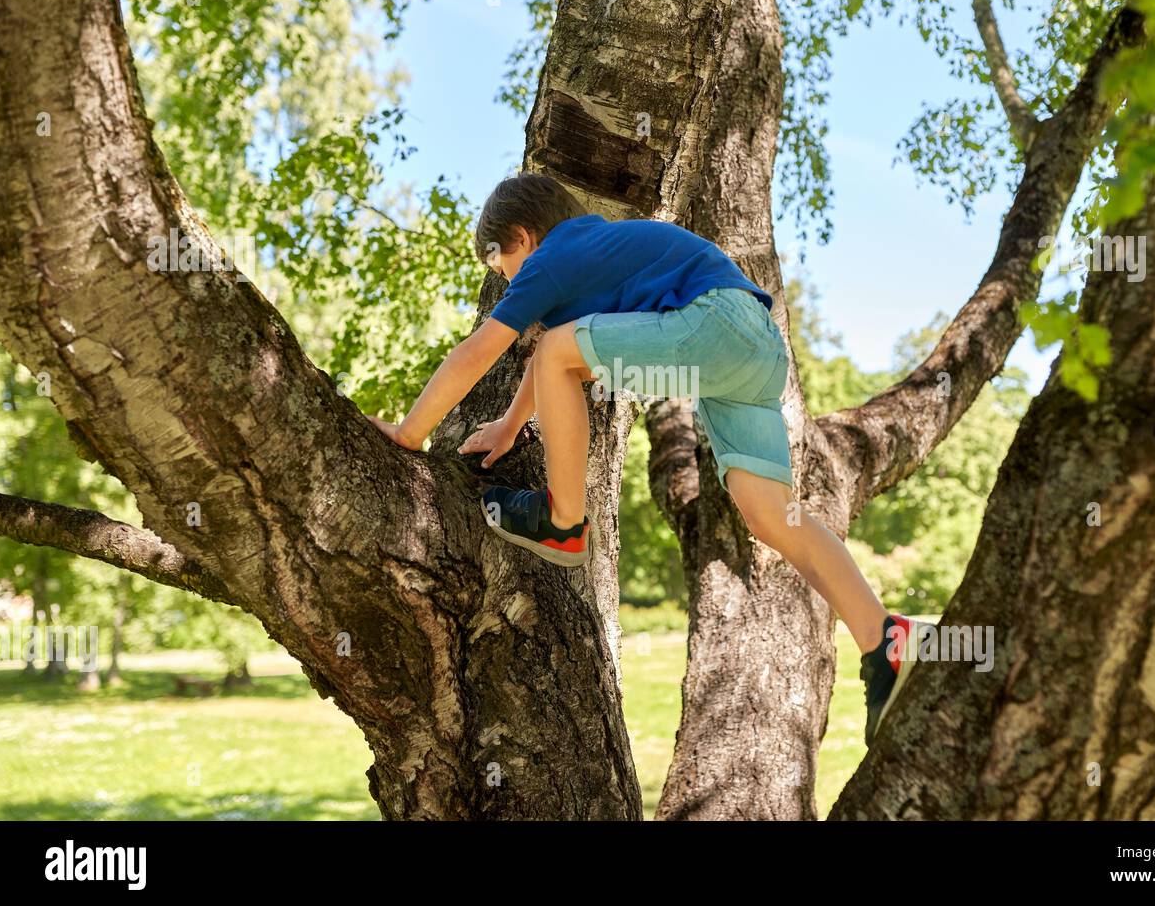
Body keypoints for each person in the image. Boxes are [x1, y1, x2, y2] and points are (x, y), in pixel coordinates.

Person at [367, 172, 931, 743]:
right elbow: (553, 359)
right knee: (771, 516)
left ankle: (564, 521)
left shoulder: (553, 258)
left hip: (715, 326)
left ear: (523, 237)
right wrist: (511, 426)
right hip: (754, 352)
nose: (508, 281)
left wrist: (412, 432)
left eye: (502, 267)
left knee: (559, 350)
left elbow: (480, 351)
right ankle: (884, 639)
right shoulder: (595, 251)